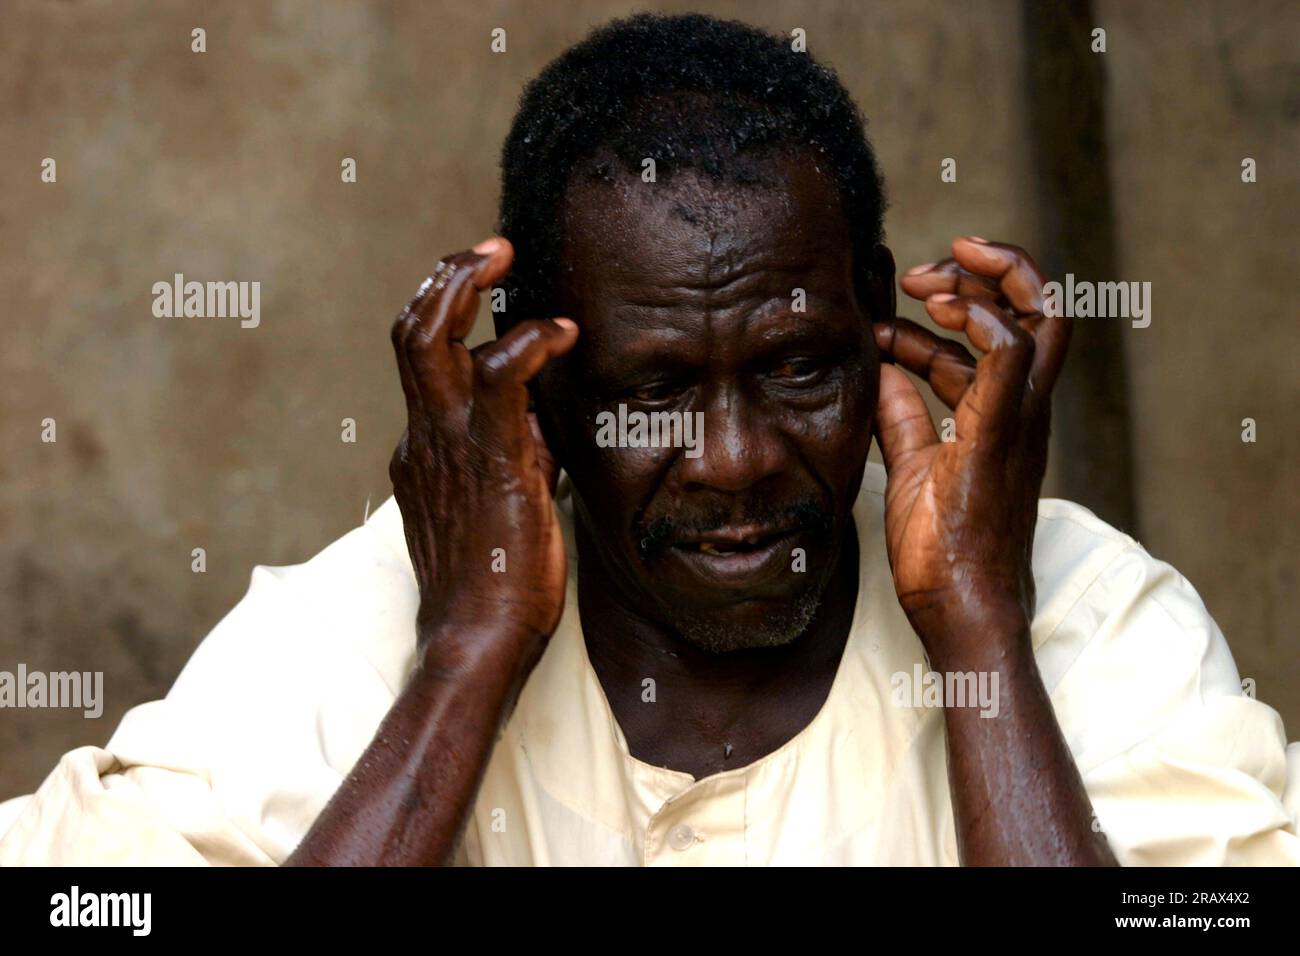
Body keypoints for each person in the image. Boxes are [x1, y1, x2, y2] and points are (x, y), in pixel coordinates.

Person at [2, 12, 1296, 866]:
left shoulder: (1083, 615)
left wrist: (981, 629)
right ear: (536, 382)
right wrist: (464, 661)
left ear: (878, 323)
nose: (735, 458)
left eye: (796, 367)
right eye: (656, 391)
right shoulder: (367, 627)